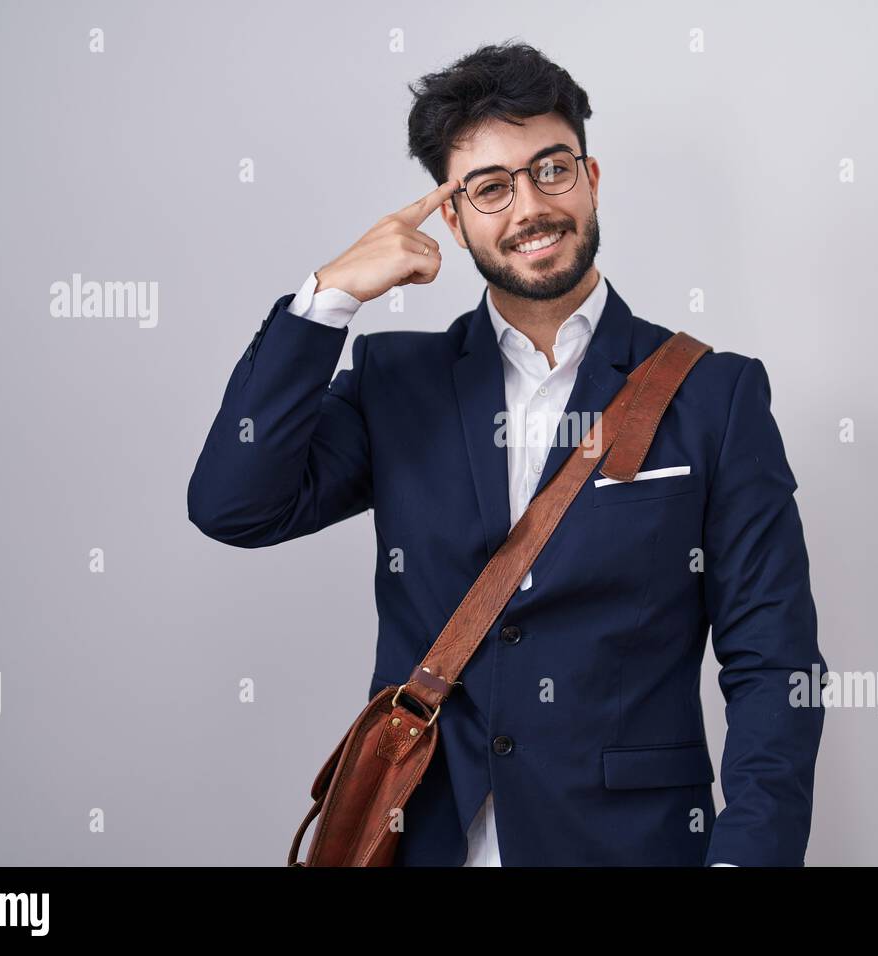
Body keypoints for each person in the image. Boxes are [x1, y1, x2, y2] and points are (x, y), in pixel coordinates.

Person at [187, 40, 826, 867]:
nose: (530, 207)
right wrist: (328, 297)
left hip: (633, 847)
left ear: (591, 180)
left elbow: (775, 662)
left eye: (551, 169)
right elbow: (235, 506)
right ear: (452, 221)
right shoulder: (397, 383)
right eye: (490, 188)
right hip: (419, 839)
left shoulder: (715, 394)